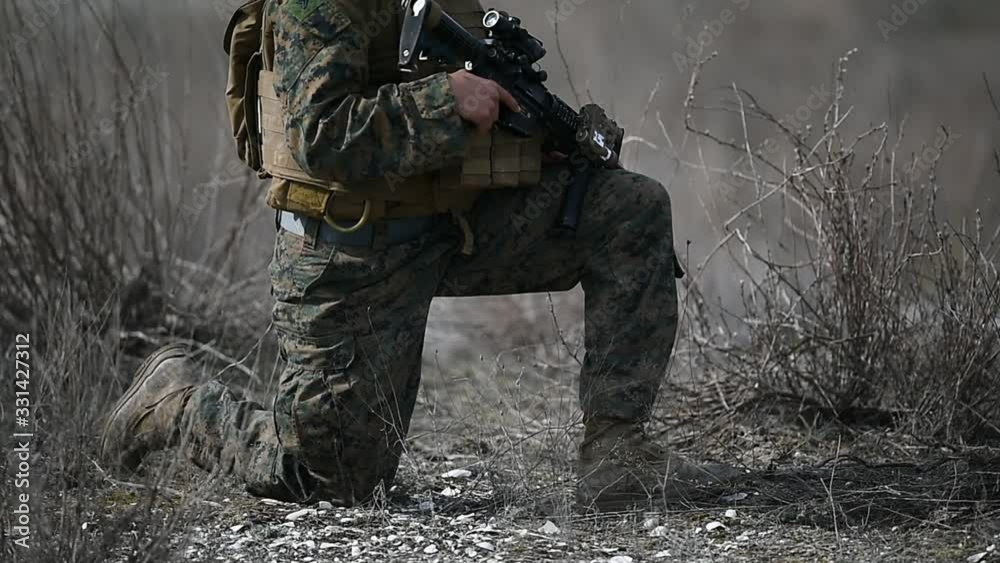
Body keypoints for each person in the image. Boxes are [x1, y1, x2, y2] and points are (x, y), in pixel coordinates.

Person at [100, 0, 734, 511]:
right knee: (332, 481)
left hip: (451, 219)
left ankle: (617, 450)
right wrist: (447, 102)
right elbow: (321, 134)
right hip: (352, 247)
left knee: (627, 207)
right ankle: (177, 402)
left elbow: (465, 96)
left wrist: (542, 141)